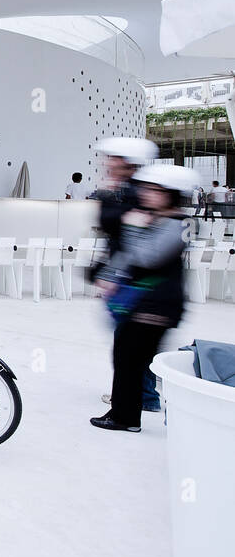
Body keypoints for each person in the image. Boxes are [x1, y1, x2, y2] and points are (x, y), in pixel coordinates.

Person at [91, 163, 196, 433]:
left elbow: (147, 257)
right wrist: (110, 276)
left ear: (169, 194)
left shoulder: (180, 222)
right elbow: (129, 256)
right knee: (128, 359)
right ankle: (124, 414)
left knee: (135, 361)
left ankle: (127, 417)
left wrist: (133, 228)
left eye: (154, 190)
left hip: (156, 303)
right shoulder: (157, 218)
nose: (146, 194)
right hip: (144, 302)